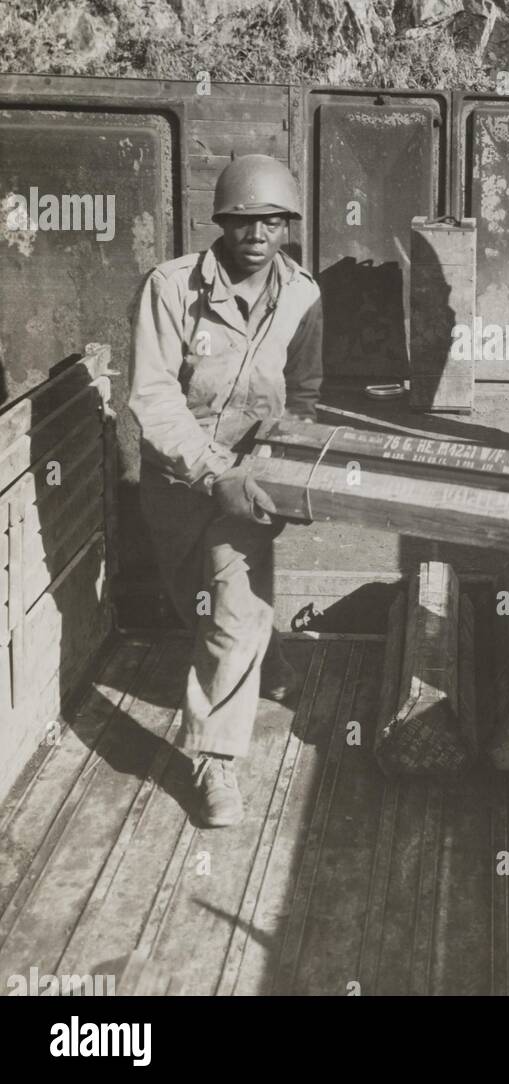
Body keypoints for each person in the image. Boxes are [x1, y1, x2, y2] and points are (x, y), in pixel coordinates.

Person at [128, 153, 322, 828]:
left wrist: (280, 469)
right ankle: (258, 661)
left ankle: (214, 761)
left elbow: (307, 394)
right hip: (179, 483)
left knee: (233, 616)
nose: (258, 234)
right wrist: (214, 471)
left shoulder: (304, 296)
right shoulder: (171, 287)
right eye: (244, 221)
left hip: (250, 487)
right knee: (199, 606)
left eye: (272, 221)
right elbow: (152, 397)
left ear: (287, 227)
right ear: (221, 224)